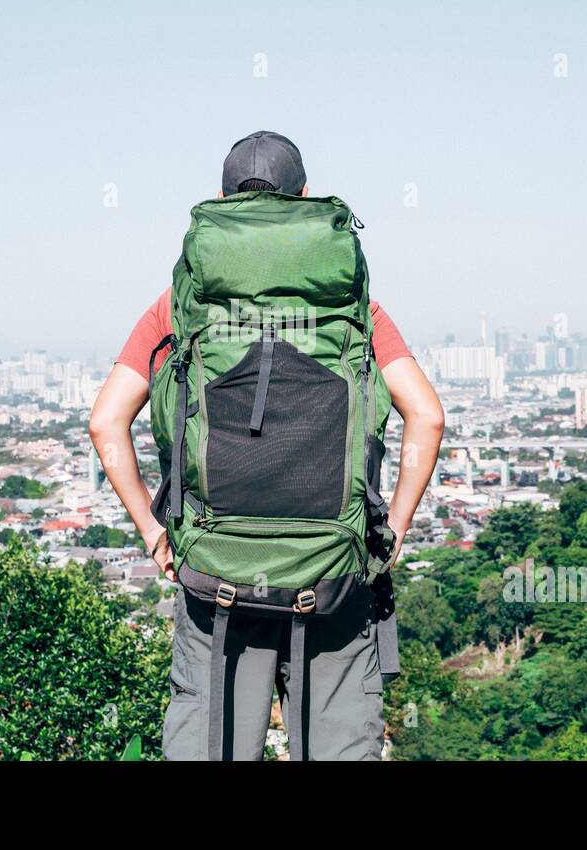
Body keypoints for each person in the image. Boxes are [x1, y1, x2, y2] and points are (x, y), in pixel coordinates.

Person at [89, 131, 443, 760]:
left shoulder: (183, 306)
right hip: (331, 575)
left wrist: (153, 530)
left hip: (216, 576)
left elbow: (105, 423)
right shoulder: (349, 309)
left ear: (224, 202)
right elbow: (428, 417)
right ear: (304, 200)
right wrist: (393, 530)